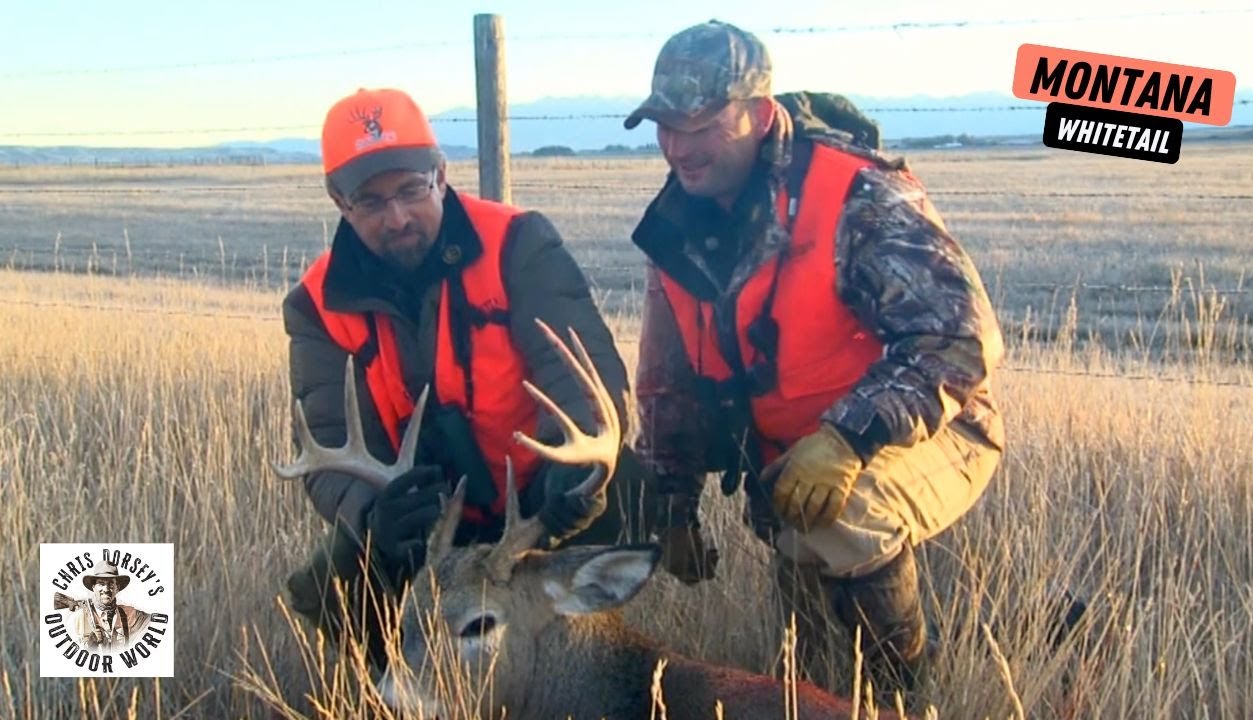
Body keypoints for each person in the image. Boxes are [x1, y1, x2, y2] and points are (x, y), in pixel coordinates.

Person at [624, 21, 1005, 699]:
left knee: (840, 523)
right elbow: (667, 386)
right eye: (663, 124)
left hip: (932, 434)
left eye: (699, 123)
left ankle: (907, 697)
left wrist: (848, 437)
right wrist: (673, 503)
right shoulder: (677, 229)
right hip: (790, 467)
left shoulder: (856, 194)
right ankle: (989, 634)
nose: (677, 146)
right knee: (818, 672)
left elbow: (959, 339)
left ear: (760, 114)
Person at [282, 87, 648, 672]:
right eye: (371, 202)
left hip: (536, 499)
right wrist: (375, 515)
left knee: (614, 504)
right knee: (333, 585)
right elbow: (326, 445)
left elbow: (582, 373)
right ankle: (403, 693)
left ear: (442, 175)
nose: (397, 217)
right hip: (426, 519)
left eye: (410, 190)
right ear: (338, 200)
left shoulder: (517, 242)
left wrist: (570, 473)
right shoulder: (317, 303)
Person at [63, 561, 152, 651]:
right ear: (93, 587)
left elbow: (154, 620)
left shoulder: (128, 613)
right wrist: (90, 645)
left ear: (117, 588)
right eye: (101, 584)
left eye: (111, 584)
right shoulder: (78, 617)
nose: (106, 589)